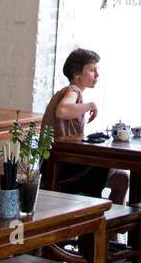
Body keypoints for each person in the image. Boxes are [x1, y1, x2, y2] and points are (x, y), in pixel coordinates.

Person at [41, 48, 129, 203]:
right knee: (116, 170)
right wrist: (91, 105)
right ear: (76, 74)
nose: (97, 75)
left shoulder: (72, 92)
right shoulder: (73, 90)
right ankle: (102, 221)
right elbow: (62, 110)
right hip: (61, 166)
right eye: (91, 70)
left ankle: (109, 223)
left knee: (121, 178)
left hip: (56, 161)